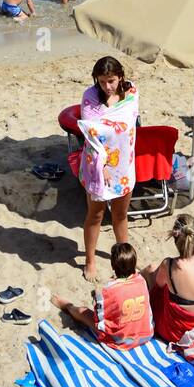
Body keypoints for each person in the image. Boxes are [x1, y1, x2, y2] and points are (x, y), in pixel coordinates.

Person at [77, 57, 138, 281]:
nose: (107, 86)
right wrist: (100, 164)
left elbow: (128, 125)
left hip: (122, 164)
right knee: (96, 214)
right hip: (97, 165)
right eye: (102, 82)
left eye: (111, 81)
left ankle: (125, 262)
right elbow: (91, 134)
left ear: (120, 76)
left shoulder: (131, 94)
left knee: (121, 215)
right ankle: (90, 260)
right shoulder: (90, 97)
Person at [51, 242, 153, 349]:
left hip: (120, 340)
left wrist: (97, 297)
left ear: (113, 266)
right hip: (146, 335)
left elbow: (99, 320)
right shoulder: (142, 281)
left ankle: (67, 306)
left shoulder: (108, 290)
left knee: (83, 312)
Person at [142, 214, 194, 344]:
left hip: (179, 333)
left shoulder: (170, 265)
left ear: (175, 238)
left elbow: (158, 286)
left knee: (151, 270)